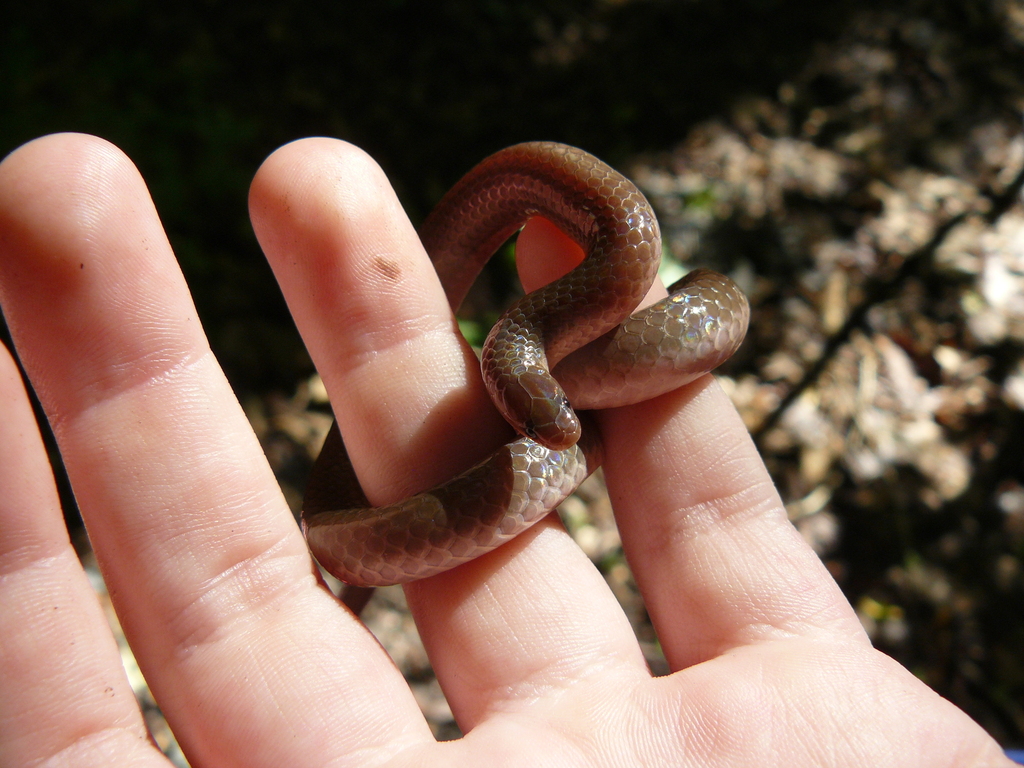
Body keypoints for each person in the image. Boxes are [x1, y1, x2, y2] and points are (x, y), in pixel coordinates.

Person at [0, 133, 1015, 767]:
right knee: (346, 524)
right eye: (549, 420)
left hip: (547, 335)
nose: (562, 438)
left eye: (562, 422)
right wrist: (548, 422)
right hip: (521, 353)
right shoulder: (528, 355)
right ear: (506, 373)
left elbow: (577, 360)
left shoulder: (547, 331)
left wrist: (548, 412)